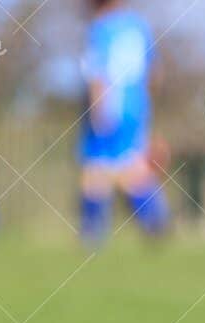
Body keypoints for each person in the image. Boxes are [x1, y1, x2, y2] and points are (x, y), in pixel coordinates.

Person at [79, 0, 170, 244]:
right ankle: (155, 220)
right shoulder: (138, 25)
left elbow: (98, 72)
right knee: (132, 165)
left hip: (110, 103)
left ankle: (92, 232)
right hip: (136, 106)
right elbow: (155, 70)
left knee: (95, 167)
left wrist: (98, 108)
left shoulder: (100, 27)